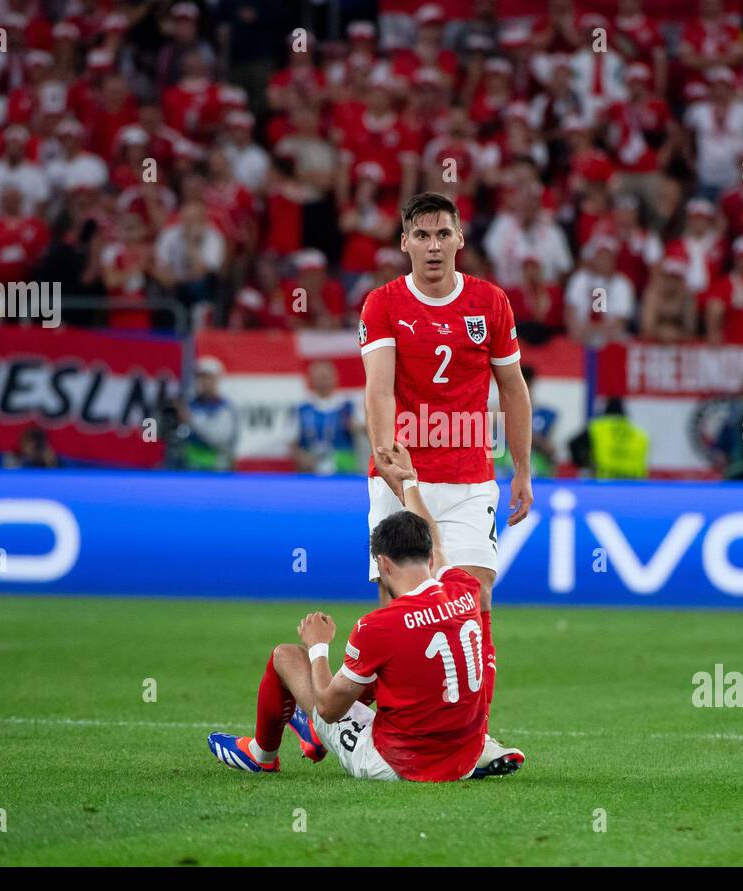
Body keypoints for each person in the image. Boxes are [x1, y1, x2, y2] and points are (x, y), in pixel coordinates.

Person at [207, 442, 524, 781]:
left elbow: (329, 708)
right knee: (387, 676)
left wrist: (318, 647)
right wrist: (410, 481)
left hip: (397, 764)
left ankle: (261, 755)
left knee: (286, 656)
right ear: (430, 557)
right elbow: (437, 539)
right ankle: (307, 728)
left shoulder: (378, 625)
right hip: (463, 757)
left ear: (383, 563)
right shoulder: (464, 589)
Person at [360, 191, 534, 732]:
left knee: (474, 597)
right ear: (404, 242)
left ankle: (473, 735)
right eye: (421, 235)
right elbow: (379, 390)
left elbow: (514, 389)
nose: (433, 246)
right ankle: (371, 723)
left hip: (468, 478)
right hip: (400, 476)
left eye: (443, 234)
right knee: (402, 610)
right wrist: (389, 458)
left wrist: (522, 469)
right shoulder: (383, 303)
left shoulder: (490, 303)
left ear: (460, 239)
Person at [294, 359, 360, 475]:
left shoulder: (348, 407)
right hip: (311, 469)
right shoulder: (302, 408)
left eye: (325, 377)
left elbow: (363, 433)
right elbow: (292, 443)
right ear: (311, 380)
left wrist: (355, 427)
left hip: (343, 470)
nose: (322, 382)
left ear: (335, 378)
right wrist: (301, 458)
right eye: (319, 377)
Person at [179, 356, 238, 470]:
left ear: (218, 379)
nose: (205, 382)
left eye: (210, 377)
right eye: (202, 377)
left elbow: (219, 438)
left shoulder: (225, 407)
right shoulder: (189, 404)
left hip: (217, 469)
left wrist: (191, 420)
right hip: (188, 468)